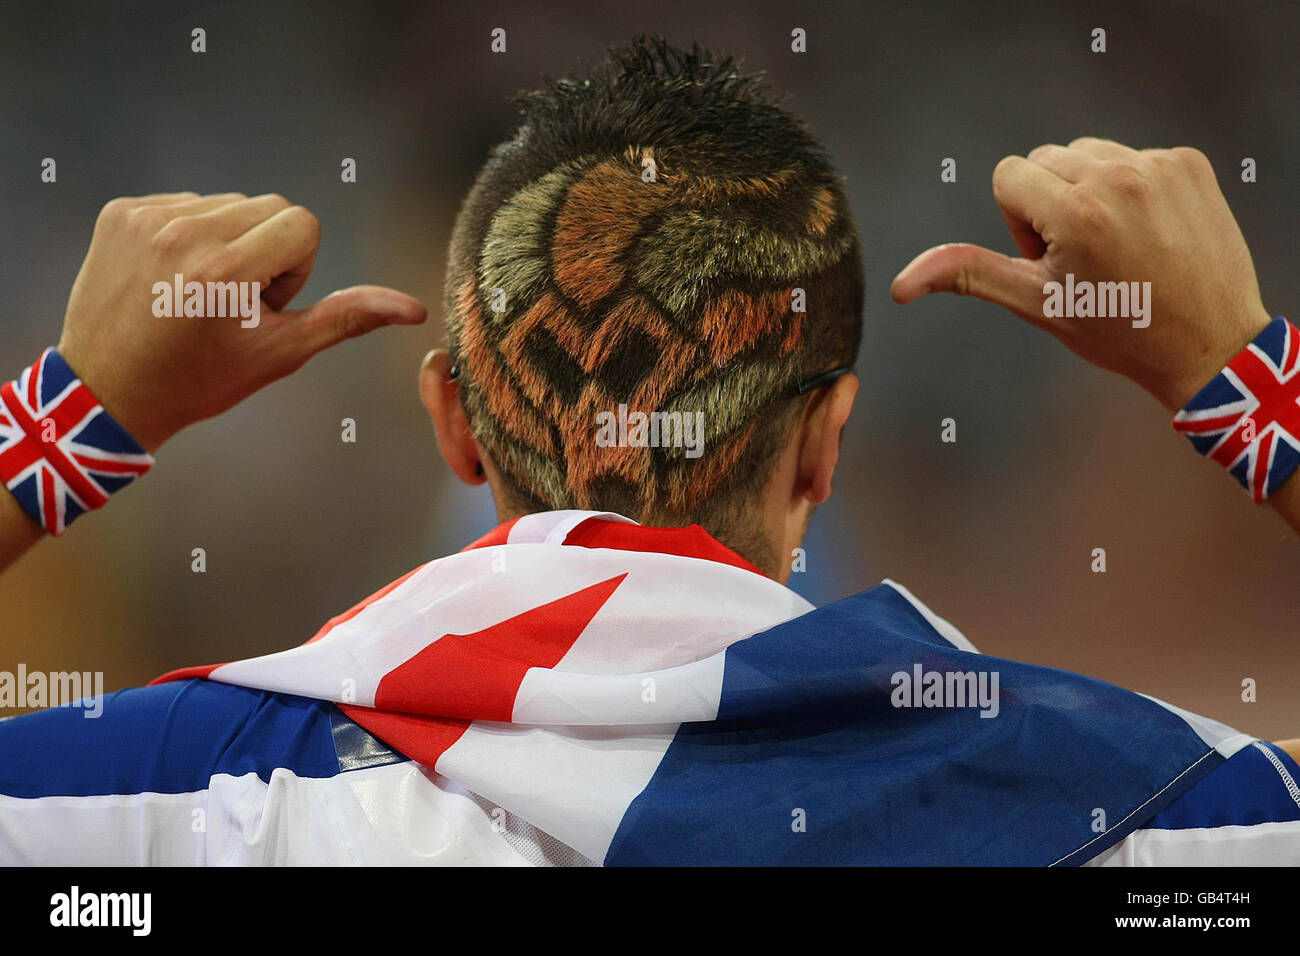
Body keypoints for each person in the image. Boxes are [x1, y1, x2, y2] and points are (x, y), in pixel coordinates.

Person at [0, 37, 1296, 865]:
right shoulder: (1131, 807)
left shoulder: (185, 801)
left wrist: (71, 422)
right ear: (824, 449)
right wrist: (1239, 375)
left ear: (451, 423)